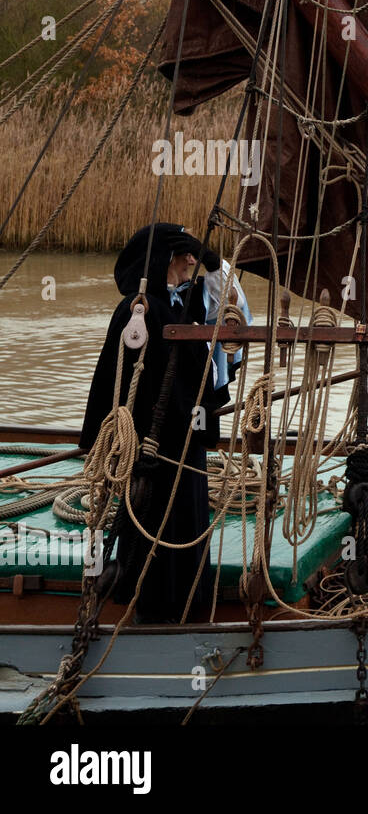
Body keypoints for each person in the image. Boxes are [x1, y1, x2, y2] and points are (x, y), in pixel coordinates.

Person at [80, 223, 245, 623]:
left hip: (184, 445)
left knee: (186, 529)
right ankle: (154, 612)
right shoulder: (139, 311)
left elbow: (234, 307)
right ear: (165, 259)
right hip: (153, 453)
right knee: (152, 526)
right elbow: (114, 382)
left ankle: (186, 606)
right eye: (187, 253)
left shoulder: (181, 303)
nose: (193, 260)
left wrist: (210, 261)